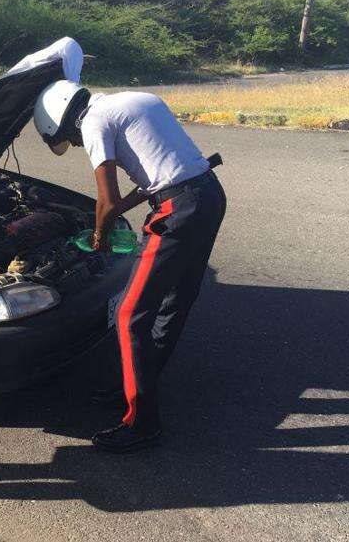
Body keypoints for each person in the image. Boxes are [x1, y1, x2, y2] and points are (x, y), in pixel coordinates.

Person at [32, 80, 226, 452]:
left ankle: (141, 420)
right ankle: (138, 386)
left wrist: (99, 235)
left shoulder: (93, 122)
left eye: (69, 140)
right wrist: (114, 213)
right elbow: (158, 173)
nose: (74, 144)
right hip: (207, 195)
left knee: (128, 313)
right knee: (172, 303)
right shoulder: (135, 99)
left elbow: (107, 199)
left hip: (178, 211)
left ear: (64, 121)